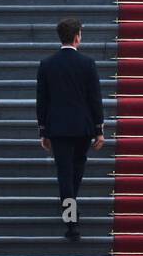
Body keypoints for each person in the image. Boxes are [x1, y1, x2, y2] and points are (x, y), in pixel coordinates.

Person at [36, 17, 105, 242]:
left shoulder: (47, 64)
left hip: (58, 129)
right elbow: (95, 99)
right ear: (77, 37)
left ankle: (71, 222)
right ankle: (71, 207)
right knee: (76, 170)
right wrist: (99, 128)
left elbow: (42, 101)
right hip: (82, 128)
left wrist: (43, 131)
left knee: (64, 175)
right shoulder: (88, 64)